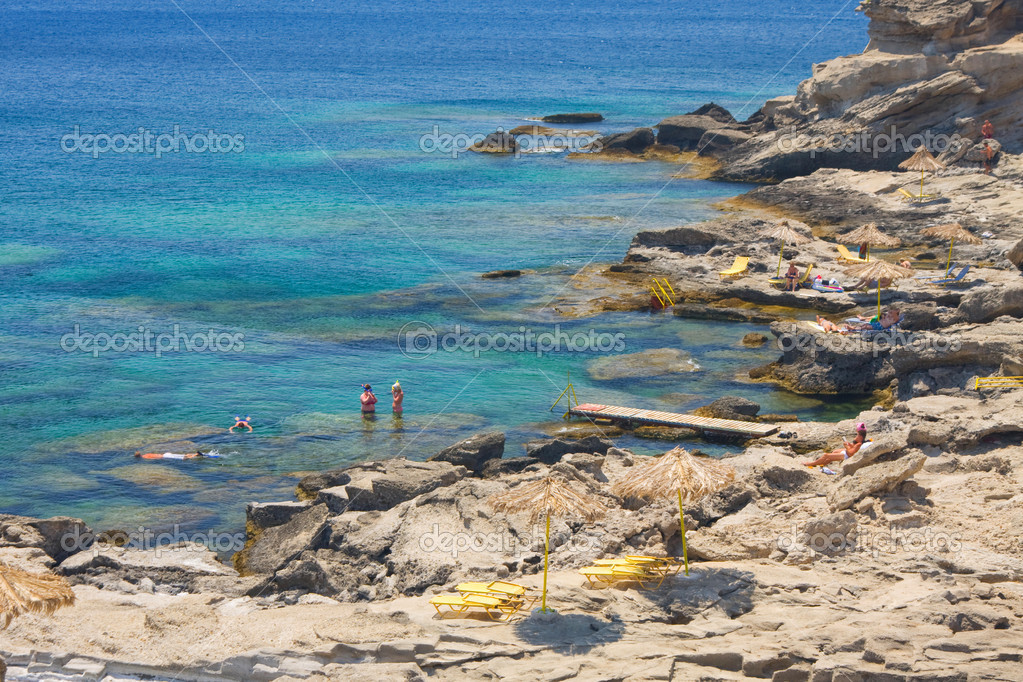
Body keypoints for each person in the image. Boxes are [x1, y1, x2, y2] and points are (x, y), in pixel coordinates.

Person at [804, 423, 868, 467]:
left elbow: (851, 453)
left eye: (857, 435)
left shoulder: (859, 444)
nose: (856, 436)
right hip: (846, 452)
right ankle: (822, 464)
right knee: (834, 452)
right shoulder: (858, 442)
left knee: (826, 455)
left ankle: (811, 464)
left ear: (860, 437)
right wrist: (849, 444)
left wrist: (846, 446)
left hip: (846, 455)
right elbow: (853, 448)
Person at [135, 450, 206, 460]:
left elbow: (155, 458)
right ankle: (196, 453)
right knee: (182, 455)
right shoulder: (147, 454)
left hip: (165, 456)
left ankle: (197, 454)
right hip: (166, 454)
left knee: (183, 458)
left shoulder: (146, 457)